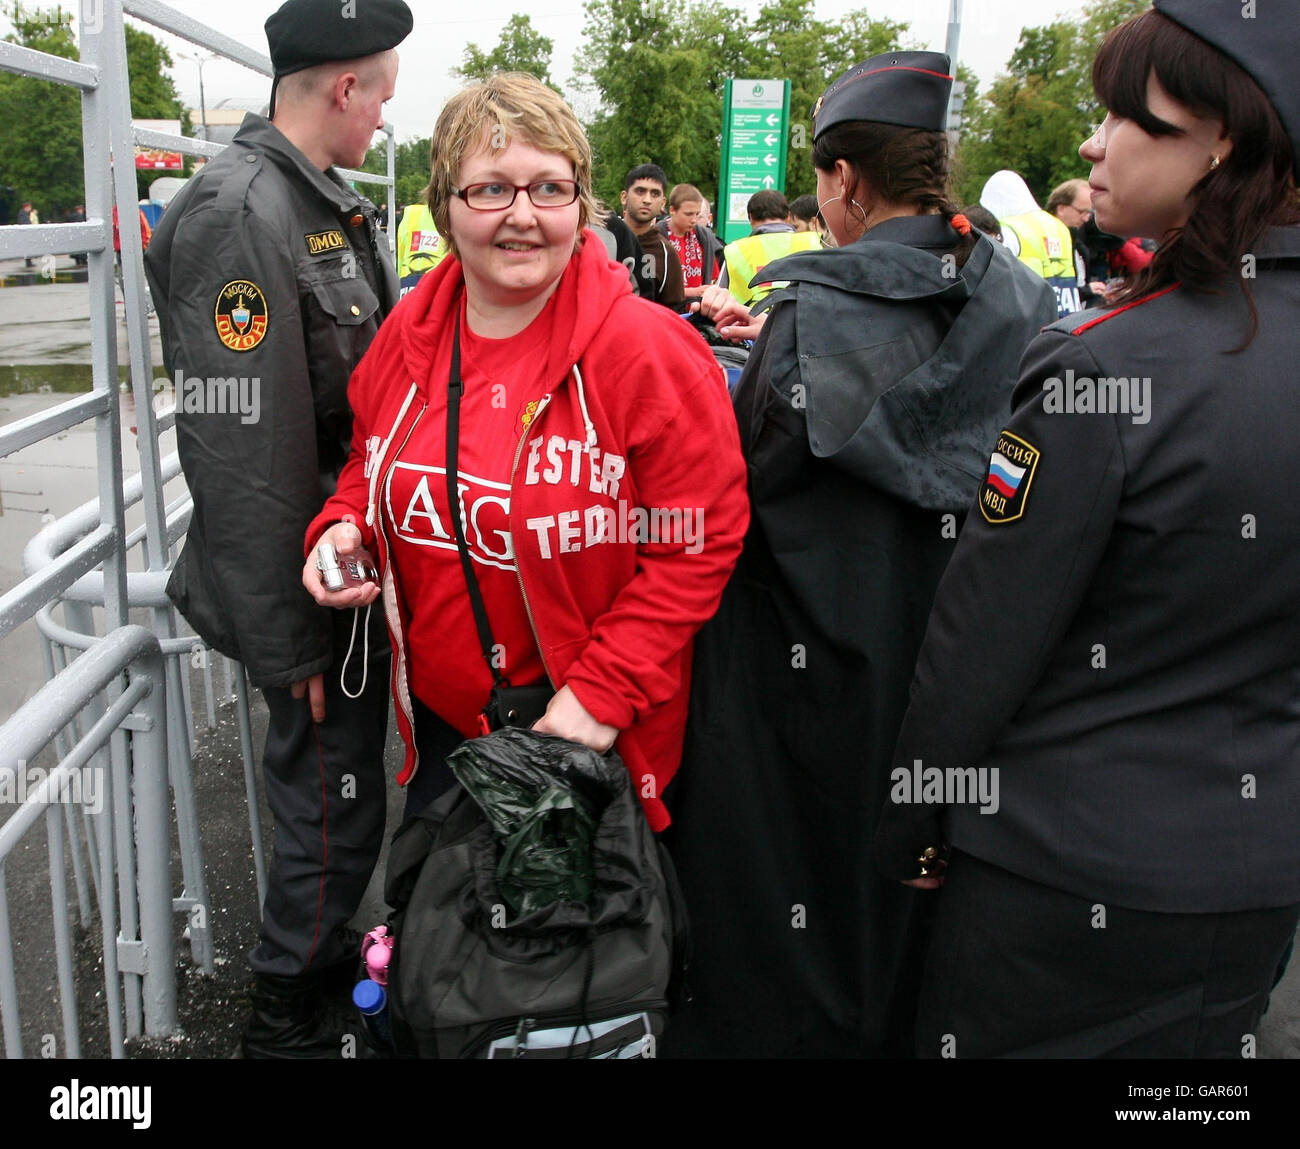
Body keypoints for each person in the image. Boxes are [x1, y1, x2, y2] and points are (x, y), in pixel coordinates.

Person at [875, 0, 1300, 1059]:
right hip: (1249, 880)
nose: (1090, 141)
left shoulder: (1107, 365)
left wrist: (917, 810)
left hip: (1057, 880)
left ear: (1222, 141)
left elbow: (984, 636)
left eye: (1126, 116)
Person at [664, 51, 1056, 1058]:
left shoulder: (815, 311)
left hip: (807, 671)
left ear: (842, 180)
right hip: (964, 669)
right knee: (917, 908)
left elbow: (750, 488)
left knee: (792, 899)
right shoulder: (1016, 298)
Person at [300, 72, 748, 841]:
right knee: (442, 947)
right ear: (445, 205)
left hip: (591, 738)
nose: (522, 216)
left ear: (581, 206)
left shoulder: (649, 353)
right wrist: (344, 526)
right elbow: (367, 460)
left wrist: (599, 697)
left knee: (583, 960)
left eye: (549, 188)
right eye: (490, 190)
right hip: (446, 740)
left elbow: (697, 545)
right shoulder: (406, 338)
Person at [143, 0, 412, 1058]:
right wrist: (287, 635)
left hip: (335, 568)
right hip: (305, 590)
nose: (383, 120)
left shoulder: (308, 202)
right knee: (328, 812)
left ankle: (323, 963)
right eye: (382, 94)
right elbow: (240, 454)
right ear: (344, 86)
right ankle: (284, 1018)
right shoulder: (239, 212)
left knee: (340, 806)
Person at [981, 169, 1082, 317]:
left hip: (1030, 319)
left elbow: (994, 280)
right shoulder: (1058, 225)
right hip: (1065, 314)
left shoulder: (1007, 229)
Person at [717, 189, 821, 306]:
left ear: (750, 218)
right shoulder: (815, 242)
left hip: (749, 320)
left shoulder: (735, 250)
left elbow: (718, 297)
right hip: (803, 320)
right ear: (788, 217)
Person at [620, 163, 685, 310]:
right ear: (624, 197)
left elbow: (674, 312)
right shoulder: (604, 241)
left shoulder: (667, 254)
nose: (647, 200)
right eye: (640, 191)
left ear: (663, 203)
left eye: (654, 194)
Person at [657, 182, 722, 299]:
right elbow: (655, 287)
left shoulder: (704, 237)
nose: (694, 219)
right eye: (688, 214)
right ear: (672, 210)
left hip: (696, 312)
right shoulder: (657, 236)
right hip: (667, 311)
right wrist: (694, 292)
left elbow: (713, 278)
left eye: (697, 214)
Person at [395, 197, 448, 295]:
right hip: (441, 288)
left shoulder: (410, 218)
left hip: (408, 288)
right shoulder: (454, 218)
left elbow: (401, 260)